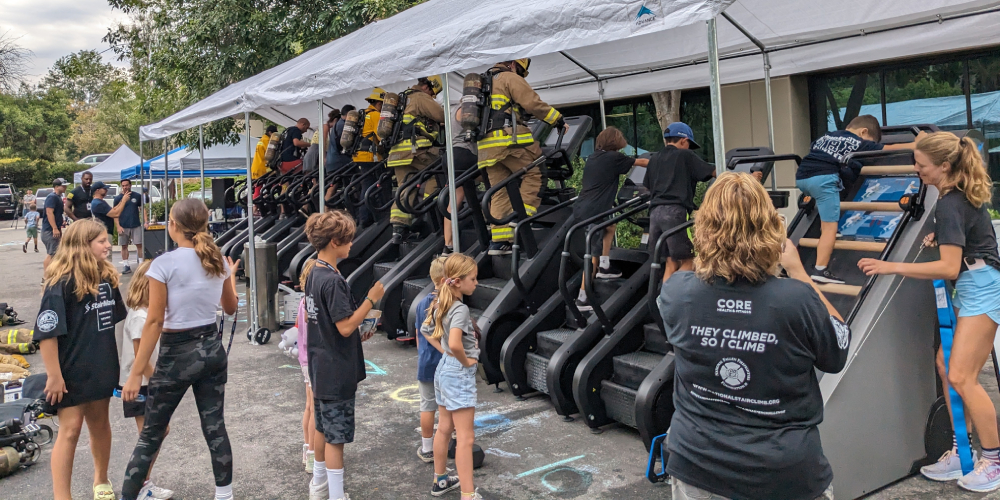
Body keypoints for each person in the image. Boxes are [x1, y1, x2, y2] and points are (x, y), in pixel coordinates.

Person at [658, 172, 849, 500]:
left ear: (703, 229)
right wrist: (800, 273)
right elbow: (838, 348)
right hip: (782, 474)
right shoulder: (795, 298)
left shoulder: (677, 291)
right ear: (771, 230)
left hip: (697, 466)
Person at [858, 132, 1000, 492]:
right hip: (974, 283)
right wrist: (941, 236)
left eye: (921, 165)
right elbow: (968, 232)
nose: (915, 169)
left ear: (944, 166)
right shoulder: (951, 198)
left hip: (983, 286)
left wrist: (891, 267)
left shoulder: (950, 203)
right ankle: (961, 450)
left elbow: (949, 268)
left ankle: (994, 460)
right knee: (946, 365)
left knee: (963, 376)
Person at [119, 198, 240, 500]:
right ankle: (224, 495)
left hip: (177, 353)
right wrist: (231, 278)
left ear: (173, 226)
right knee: (215, 426)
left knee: (151, 433)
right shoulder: (218, 260)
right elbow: (230, 308)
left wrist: (135, 374)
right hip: (211, 348)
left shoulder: (164, 264)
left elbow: (154, 321)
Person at [34, 219, 127, 500]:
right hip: (70, 371)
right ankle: (62, 495)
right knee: (71, 430)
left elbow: (115, 322)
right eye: (102, 241)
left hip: (101, 365)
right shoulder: (59, 283)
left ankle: (101, 480)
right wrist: (54, 376)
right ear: (83, 245)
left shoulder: (107, 279)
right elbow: (47, 334)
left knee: (100, 424)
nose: (108, 245)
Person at [303, 210, 385, 500]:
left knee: (323, 429)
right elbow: (346, 326)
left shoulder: (314, 271)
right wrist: (371, 300)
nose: (352, 245)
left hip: (319, 364)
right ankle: (336, 495)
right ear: (336, 241)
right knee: (337, 438)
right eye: (348, 240)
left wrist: (361, 323)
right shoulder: (333, 280)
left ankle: (319, 486)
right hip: (337, 370)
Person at [795, 114, 918, 284]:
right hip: (824, 180)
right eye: (871, 140)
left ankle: (827, 234)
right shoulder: (857, 142)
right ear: (863, 131)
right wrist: (916, 143)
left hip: (802, 178)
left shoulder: (826, 136)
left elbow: (815, 149)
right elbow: (888, 148)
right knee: (829, 228)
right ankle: (820, 270)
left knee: (839, 184)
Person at [477, 59, 564, 256]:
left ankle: (499, 243)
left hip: (486, 147)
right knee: (537, 172)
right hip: (509, 142)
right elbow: (532, 102)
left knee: (498, 190)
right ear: (514, 65)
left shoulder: (483, 83)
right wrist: (557, 119)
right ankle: (520, 219)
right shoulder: (509, 78)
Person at [422, 253, 481, 499]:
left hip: (444, 370)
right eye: (473, 279)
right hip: (457, 372)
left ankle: (441, 480)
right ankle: (468, 494)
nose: (476, 283)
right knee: (466, 438)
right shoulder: (460, 309)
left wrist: (446, 352)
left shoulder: (440, 302)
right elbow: (456, 343)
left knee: (444, 428)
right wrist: (465, 360)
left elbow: (427, 330)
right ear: (457, 281)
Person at [571, 126, 649, 311]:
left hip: (583, 207)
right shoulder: (615, 158)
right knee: (592, 255)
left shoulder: (594, 157)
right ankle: (583, 298)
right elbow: (643, 162)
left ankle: (605, 266)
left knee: (611, 226)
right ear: (615, 141)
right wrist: (665, 161)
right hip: (595, 210)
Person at [115, 259, 174, 500]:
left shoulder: (144, 313)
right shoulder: (141, 317)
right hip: (141, 385)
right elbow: (143, 358)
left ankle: (143, 482)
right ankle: (140, 484)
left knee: (155, 434)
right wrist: (160, 384)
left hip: (145, 383)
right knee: (151, 436)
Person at [643, 122, 716, 283]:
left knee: (671, 262)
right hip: (675, 213)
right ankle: (675, 299)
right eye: (689, 144)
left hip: (654, 214)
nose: (689, 148)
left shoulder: (654, 159)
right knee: (690, 261)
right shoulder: (685, 155)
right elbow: (713, 172)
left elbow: (647, 185)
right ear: (683, 140)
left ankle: (663, 302)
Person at [386, 76, 446, 241]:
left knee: (405, 187)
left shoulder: (400, 99)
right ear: (427, 87)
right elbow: (441, 115)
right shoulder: (420, 97)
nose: (433, 96)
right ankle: (429, 210)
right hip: (416, 150)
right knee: (439, 172)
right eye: (433, 93)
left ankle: (398, 228)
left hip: (397, 152)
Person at [415, 256, 447, 462]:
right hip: (445, 362)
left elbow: (419, 335)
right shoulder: (448, 305)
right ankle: (447, 441)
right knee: (446, 406)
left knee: (427, 405)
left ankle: (427, 448)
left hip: (426, 361)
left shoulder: (421, 304)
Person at [443, 109, 478, 255]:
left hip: (449, 155)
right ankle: (492, 220)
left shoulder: (452, 111)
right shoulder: (469, 109)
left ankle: (448, 244)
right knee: (494, 179)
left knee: (454, 198)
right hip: (465, 153)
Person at [297, 259, 318, 474]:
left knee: (308, 406)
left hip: (304, 358)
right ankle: (313, 453)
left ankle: (307, 448)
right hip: (313, 358)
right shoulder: (311, 305)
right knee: (315, 409)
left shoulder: (302, 301)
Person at [354, 90, 386, 228]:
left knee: (366, 185)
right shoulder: (375, 115)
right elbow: (381, 136)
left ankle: (363, 217)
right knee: (372, 185)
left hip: (358, 155)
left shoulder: (362, 114)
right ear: (379, 103)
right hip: (370, 156)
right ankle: (367, 218)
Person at [114, 179, 147, 273]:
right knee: (124, 246)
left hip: (135, 224)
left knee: (139, 244)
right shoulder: (118, 198)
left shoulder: (137, 196)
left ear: (130, 185)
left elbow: (143, 209)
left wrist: (146, 221)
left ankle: (141, 264)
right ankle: (126, 265)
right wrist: (118, 226)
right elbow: (115, 213)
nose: (125, 187)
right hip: (123, 225)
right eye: (123, 186)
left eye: (126, 185)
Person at [89, 182, 127, 254]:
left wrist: (121, 200)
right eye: (104, 189)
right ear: (97, 190)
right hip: (103, 232)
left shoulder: (99, 202)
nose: (106, 190)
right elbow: (116, 214)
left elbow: (114, 210)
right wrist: (124, 201)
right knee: (106, 255)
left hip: (105, 232)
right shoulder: (98, 203)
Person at [42, 178, 68, 272]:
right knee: (52, 254)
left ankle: (54, 275)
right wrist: (54, 228)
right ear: (56, 187)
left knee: (57, 254)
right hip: (49, 230)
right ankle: (45, 278)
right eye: (63, 185)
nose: (65, 187)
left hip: (55, 229)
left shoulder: (58, 197)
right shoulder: (52, 197)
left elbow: (57, 213)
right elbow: (49, 212)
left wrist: (62, 222)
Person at [326, 108, 351, 173]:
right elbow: (341, 143)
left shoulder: (337, 125)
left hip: (332, 160)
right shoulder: (342, 125)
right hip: (338, 160)